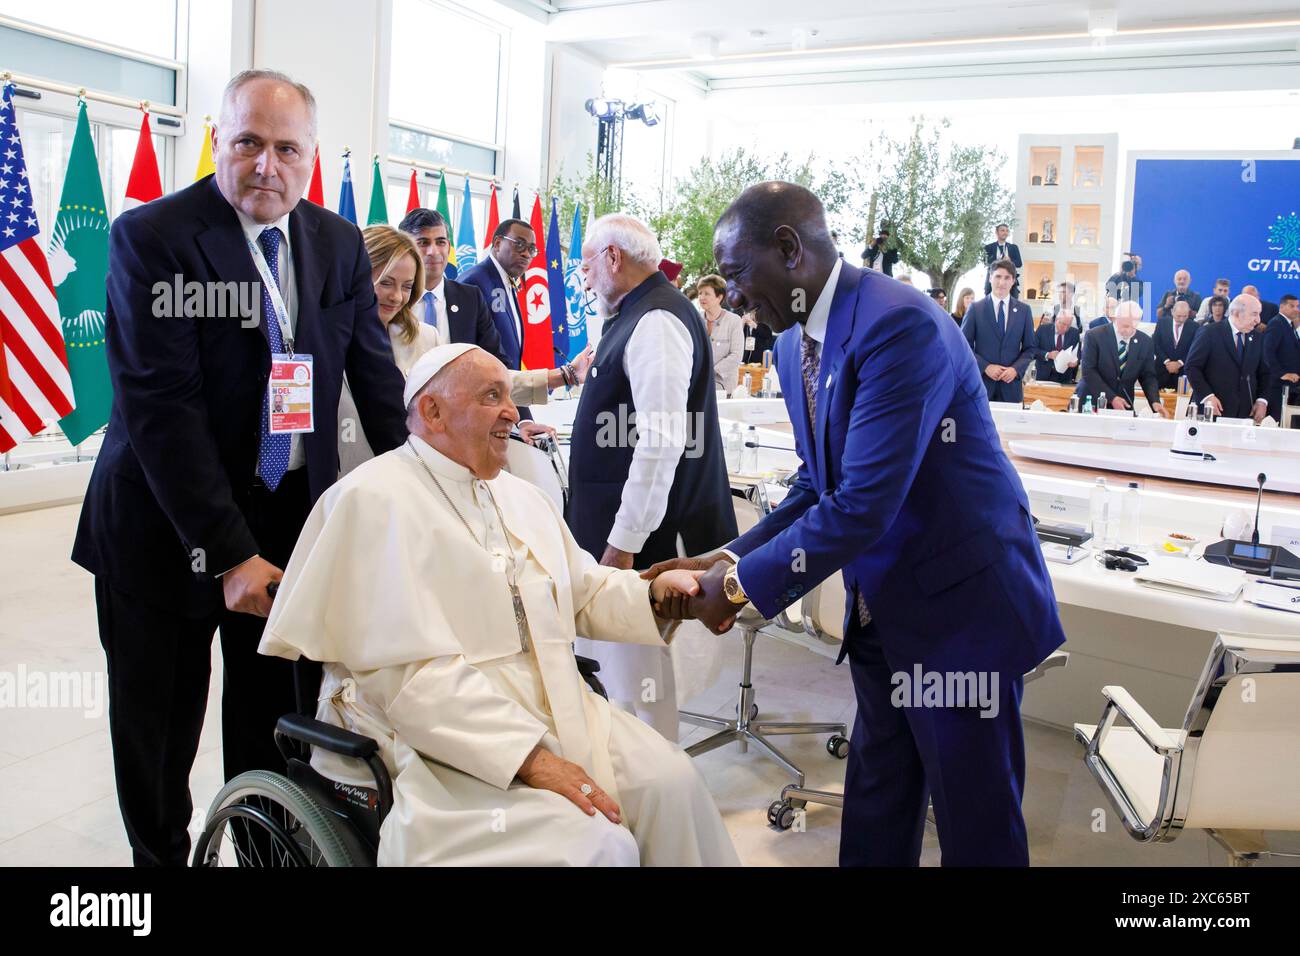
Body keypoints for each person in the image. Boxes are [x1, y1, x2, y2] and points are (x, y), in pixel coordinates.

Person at [647, 181, 1064, 867]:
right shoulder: (789, 346)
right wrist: (720, 560)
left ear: (789, 249)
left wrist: (736, 587)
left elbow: (865, 501)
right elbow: (819, 484)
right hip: (886, 610)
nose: (735, 297)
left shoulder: (900, 324)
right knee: (878, 802)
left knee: (975, 821)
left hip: (963, 614)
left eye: (737, 276)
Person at [70, 70, 409, 866]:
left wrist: (426, 490)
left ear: (311, 155)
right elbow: (163, 409)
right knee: (159, 731)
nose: (266, 166)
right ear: (218, 141)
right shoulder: (154, 238)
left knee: (268, 721)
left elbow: (377, 384)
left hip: (289, 520)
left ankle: (260, 850)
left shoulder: (333, 242)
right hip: (165, 526)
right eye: (248, 142)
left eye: (287, 148)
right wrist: (225, 552)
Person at [260, 343, 740, 866]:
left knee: (672, 783)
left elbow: (584, 590)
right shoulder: (371, 500)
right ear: (432, 412)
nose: (513, 412)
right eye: (493, 396)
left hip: (562, 706)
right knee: (596, 845)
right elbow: (410, 678)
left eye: (510, 396)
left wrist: (655, 595)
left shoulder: (521, 495)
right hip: (440, 740)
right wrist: (530, 759)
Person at [567, 214, 737, 738]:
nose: (586, 278)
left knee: (637, 678)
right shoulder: (635, 314)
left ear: (614, 258)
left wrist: (623, 543)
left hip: (640, 539)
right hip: (619, 527)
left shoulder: (658, 320)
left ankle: (652, 788)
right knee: (617, 674)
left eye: (588, 265)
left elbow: (660, 442)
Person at [399, 208, 592, 415]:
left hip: (462, 426)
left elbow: (496, 372)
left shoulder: (469, 300)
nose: (433, 252)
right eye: (423, 243)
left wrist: (523, 418)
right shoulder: (390, 303)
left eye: (441, 242)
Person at [1184, 293, 1272, 422]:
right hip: (1212, 411)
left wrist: (1262, 400)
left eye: (1259, 314)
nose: (1258, 320)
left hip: (1245, 414)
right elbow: (1192, 367)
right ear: (1236, 313)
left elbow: (1265, 373)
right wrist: (1208, 397)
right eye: (1254, 314)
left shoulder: (1258, 338)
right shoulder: (1209, 332)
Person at [962, 259, 1037, 403]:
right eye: (998, 276)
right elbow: (963, 346)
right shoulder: (975, 309)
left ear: (1013, 281)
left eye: (1007, 278)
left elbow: (1030, 348)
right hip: (981, 386)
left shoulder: (1024, 310)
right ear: (990, 278)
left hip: (1011, 389)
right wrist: (986, 367)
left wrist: (1015, 370)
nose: (1002, 283)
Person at [1078, 301, 1166, 415]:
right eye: (1125, 326)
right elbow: (1088, 372)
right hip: (1092, 400)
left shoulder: (1145, 342)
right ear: (1116, 318)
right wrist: (1112, 398)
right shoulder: (1094, 336)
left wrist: (1155, 401)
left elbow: (1148, 376)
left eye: (1133, 327)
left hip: (1124, 404)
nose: (1129, 331)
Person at [697, 274, 745, 391]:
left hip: (724, 388)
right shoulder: (696, 319)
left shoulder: (734, 320)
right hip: (698, 386)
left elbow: (736, 355)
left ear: (719, 297)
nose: (701, 297)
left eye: (706, 293)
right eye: (700, 293)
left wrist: (712, 372)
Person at [1264, 293, 1300, 422]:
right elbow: (1268, 352)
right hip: (1278, 386)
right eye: (1292, 306)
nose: (1296, 309)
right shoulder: (1277, 323)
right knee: (1277, 420)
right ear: (1282, 306)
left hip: (1290, 386)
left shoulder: (1289, 325)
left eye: (1298, 306)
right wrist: (1282, 373)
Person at [1152, 298, 1200, 390]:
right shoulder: (1162, 322)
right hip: (1161, 370)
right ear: (1172, 312)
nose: (1181, 319)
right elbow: (1156, 344)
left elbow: (1194, 349)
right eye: (1178, 316)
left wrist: (1179, 363)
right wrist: (1167, 362)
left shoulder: (1194, 327)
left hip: (1183, 373)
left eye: (1185, 316)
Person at [1033, 310, 1081, 384]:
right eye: (1063, 324)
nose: (1065, 328)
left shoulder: (1074, 333)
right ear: (1056, 320)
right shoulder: (1042, 329)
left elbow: (1077, 353)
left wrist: (1076, 361)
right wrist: (1048, 355)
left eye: (1068, 326)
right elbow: (1032, 350)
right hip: (1043, 376)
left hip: (1065, 377)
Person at [983, 223, 1022, 296]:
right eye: (1002, 230)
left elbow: (1019, 263)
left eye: (1007, 231)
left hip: (1010, 280)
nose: (1005, 233)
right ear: (997, 232)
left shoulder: (1014, 247)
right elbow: (986, 262)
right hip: (993, 280)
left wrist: (1010, 261)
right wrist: (999, 261)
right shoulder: (988, 247)